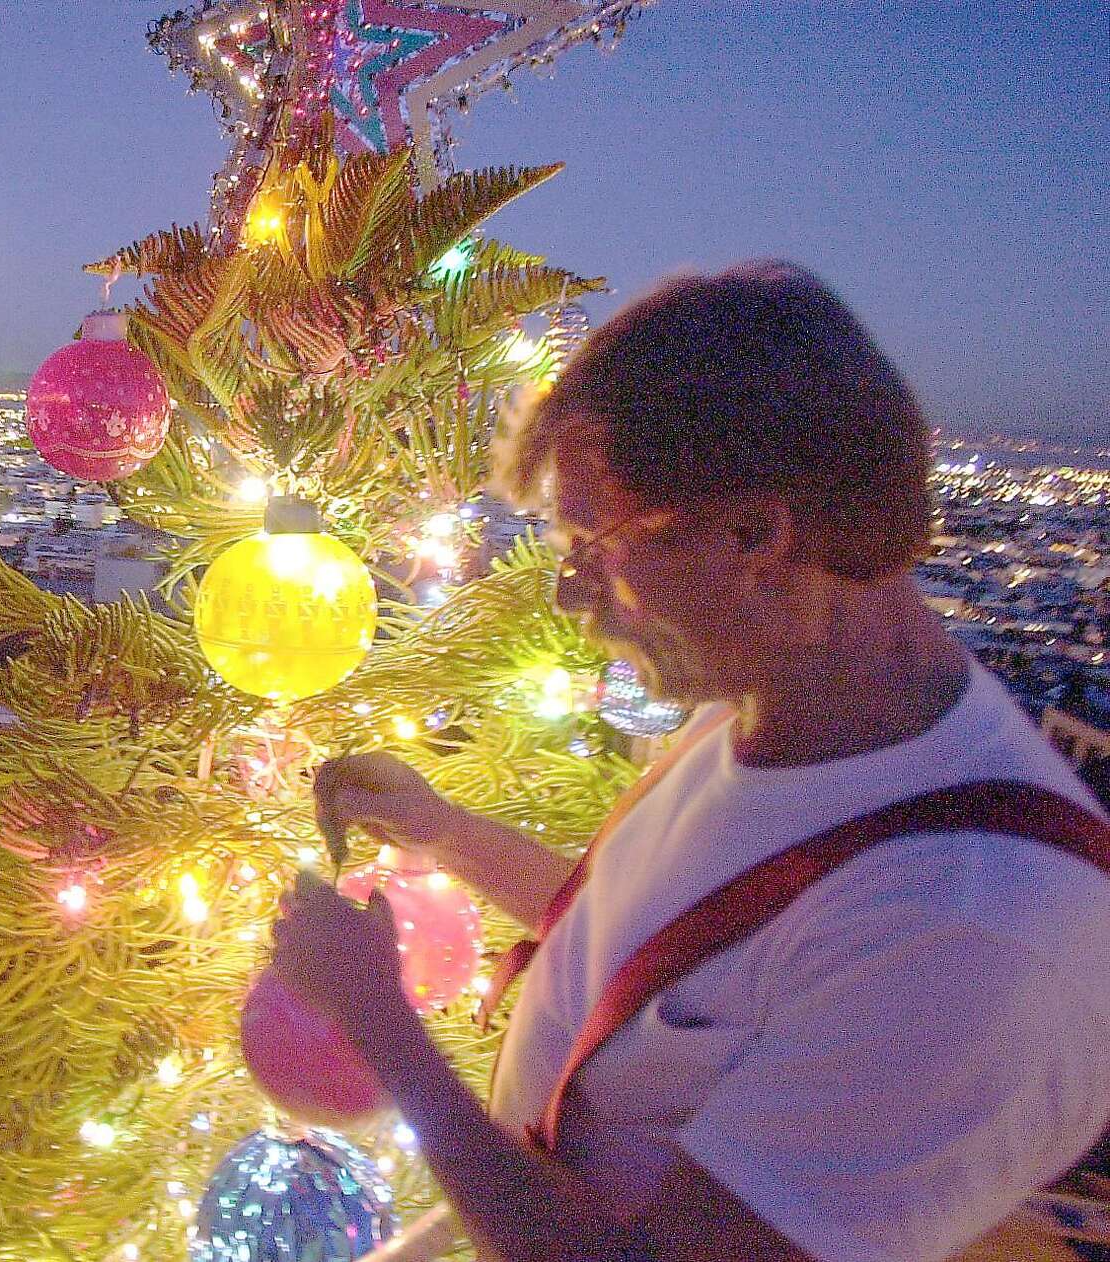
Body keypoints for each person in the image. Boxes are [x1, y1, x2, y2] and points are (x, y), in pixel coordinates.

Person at [272, 261, 1110, 1262]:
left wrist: (378, 1024)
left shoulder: (972, 926)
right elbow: (654, 961)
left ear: (753, 533)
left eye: (591, 541)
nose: (571, 595)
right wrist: (445, 831)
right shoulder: (770, 708)